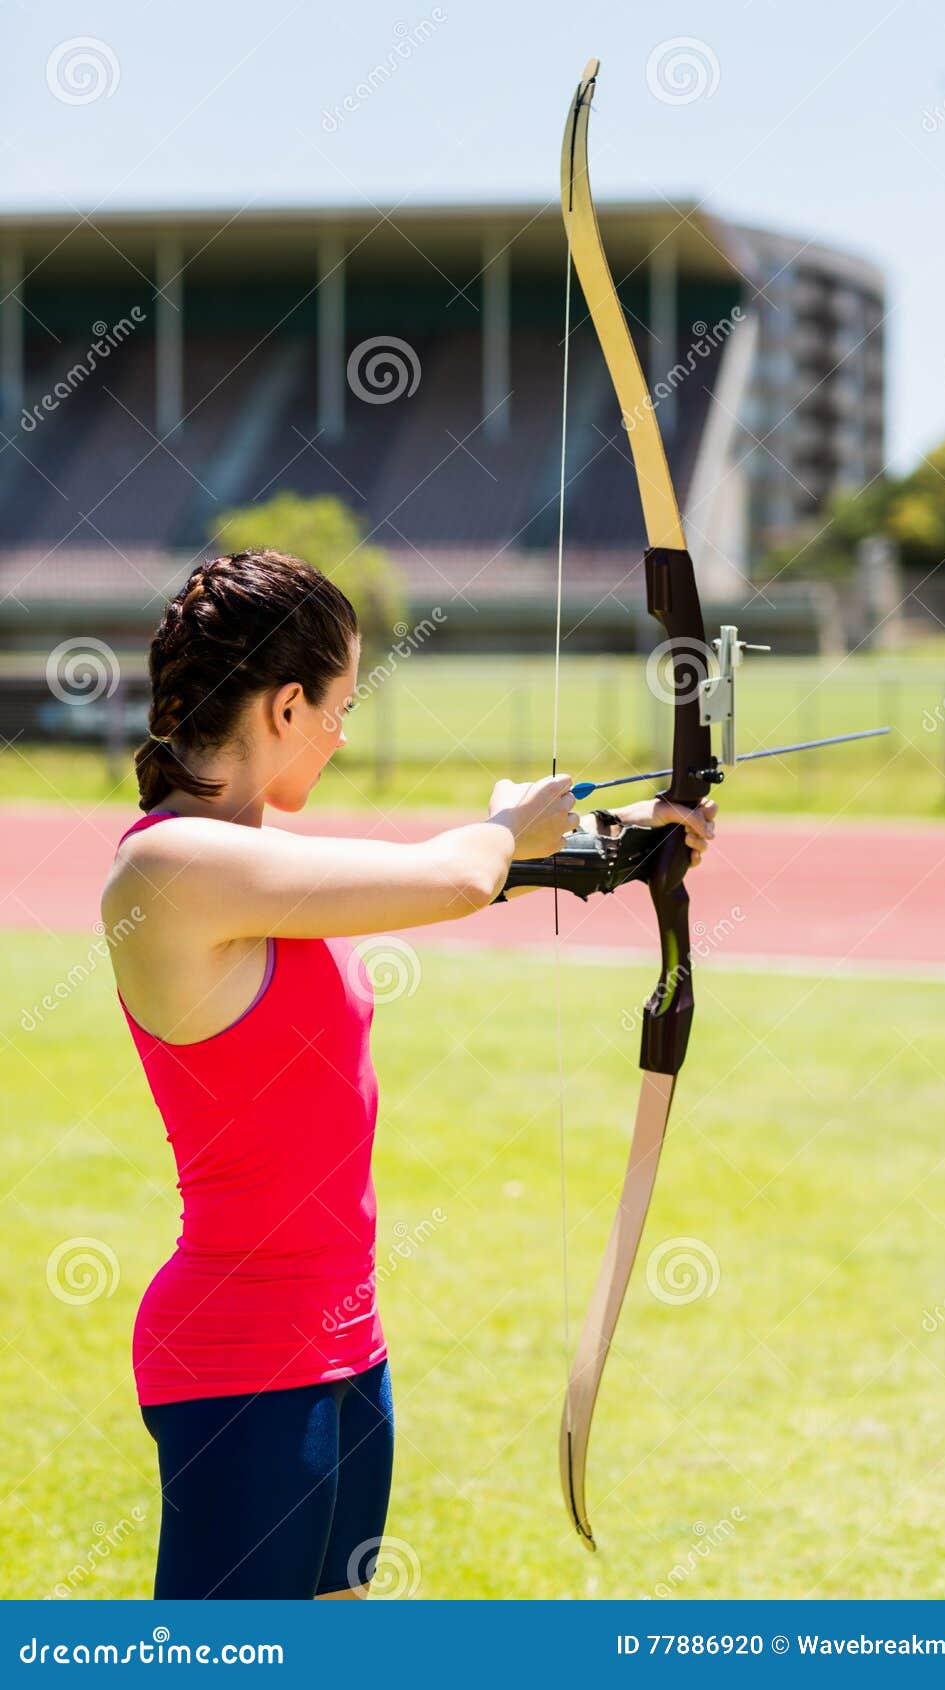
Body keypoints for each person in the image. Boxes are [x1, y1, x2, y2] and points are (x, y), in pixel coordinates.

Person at [102, 548, 714, 1598]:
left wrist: (629, 845)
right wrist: (502, 826)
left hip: (346, 1342)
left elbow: (460, 876)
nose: (343, 734)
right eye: (339, 707)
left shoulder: (258, 864)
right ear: (285, 707)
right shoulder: (168, 866)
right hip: (240, 1357)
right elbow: (454, 875)